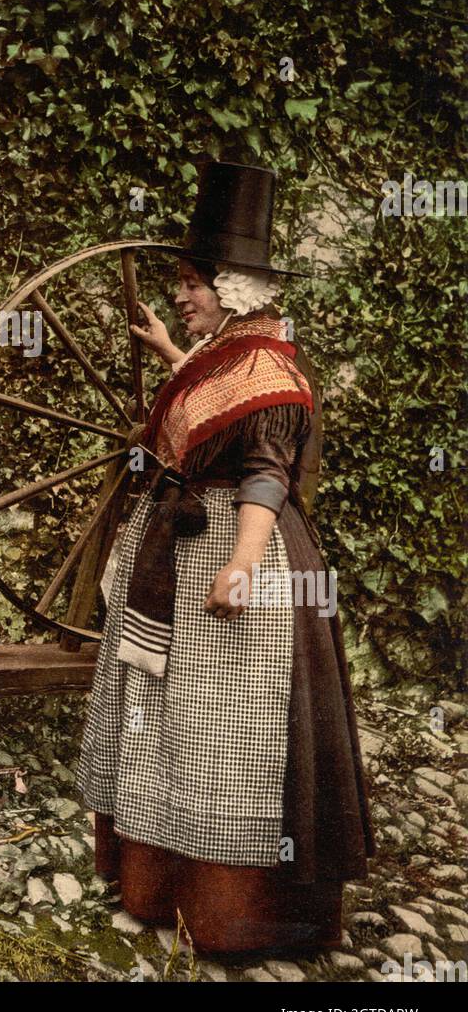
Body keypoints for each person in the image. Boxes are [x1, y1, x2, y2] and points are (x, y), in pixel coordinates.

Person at [76, 160, 374, 955]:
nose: (181, 295)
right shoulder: (231, 355)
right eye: (180, 282)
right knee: (172, 724)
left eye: (193, 285)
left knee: (226, 732)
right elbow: (216, 417)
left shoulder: (269, 368)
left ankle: (236, 910)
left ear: (233, 289)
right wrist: (173, 349)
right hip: (182, 545)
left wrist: (241, 564)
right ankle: (162, 883)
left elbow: (266, 470)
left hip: (233, 555)